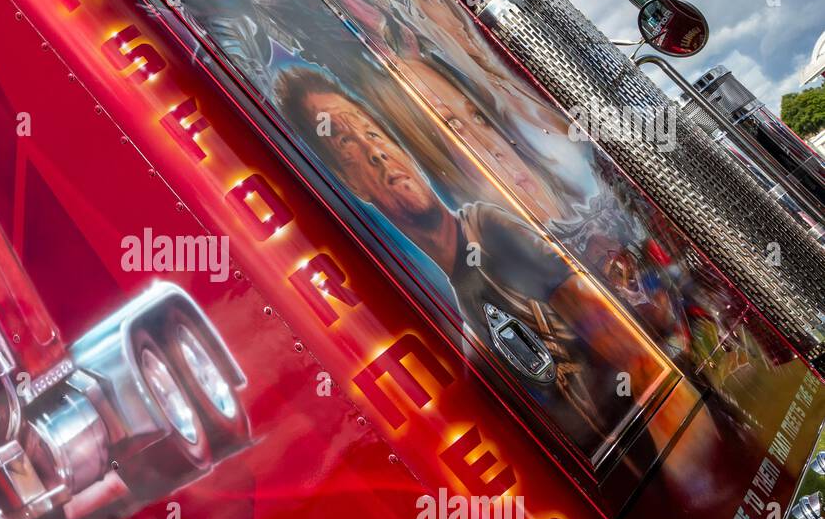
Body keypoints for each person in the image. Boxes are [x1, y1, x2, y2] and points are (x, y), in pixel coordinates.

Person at [275, 67, 668, 452]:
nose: (374, 152)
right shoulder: (463, 327)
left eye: (373, 133)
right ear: (350, 182)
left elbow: (640, 365)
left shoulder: (490, 227)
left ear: (401, 147)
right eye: (346, 144)